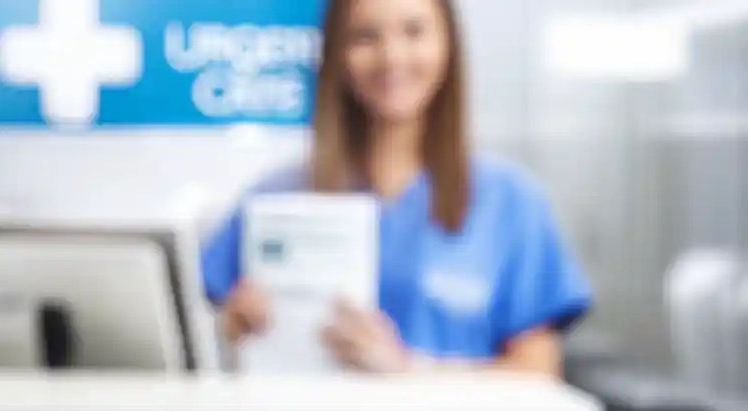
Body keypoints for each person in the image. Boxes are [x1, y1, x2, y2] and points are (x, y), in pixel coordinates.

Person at [201, 0, 592, 377]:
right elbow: (199, 336)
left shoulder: (509, 202)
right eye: (365, 37)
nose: (392, 57)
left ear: (448, 44)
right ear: (337, 54)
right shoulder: (276, 196)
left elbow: (537, 370)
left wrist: (411, 371)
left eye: (414, 31)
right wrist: (233, 332)